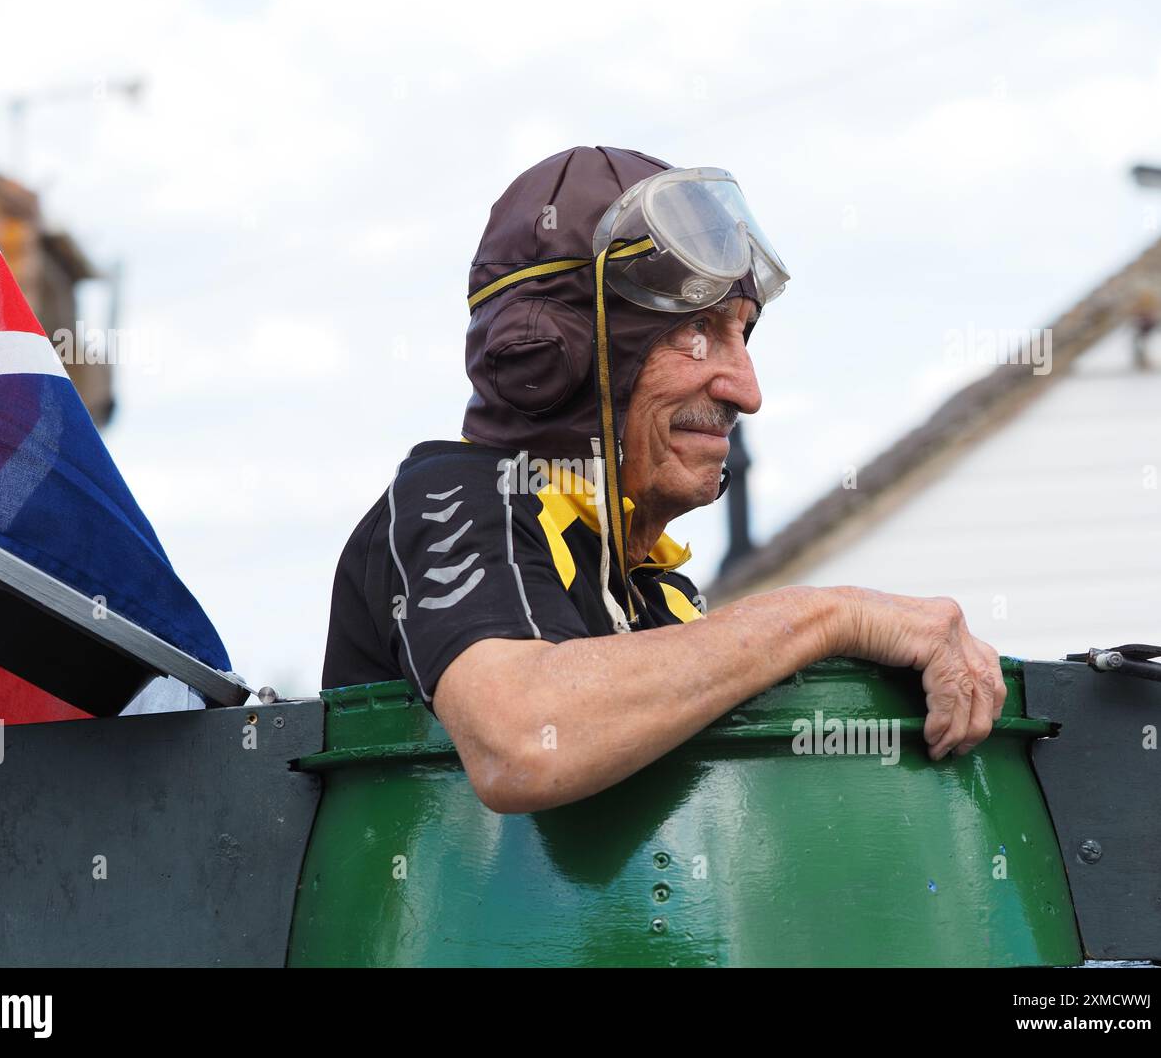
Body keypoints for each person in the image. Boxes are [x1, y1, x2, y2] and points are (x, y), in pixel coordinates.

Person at [322, 146, 1006, 814]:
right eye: (699, 334)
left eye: (743, 334)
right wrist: (834, 615)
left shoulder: (655, 588)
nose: (747, 389)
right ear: (553, 352)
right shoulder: (455, 497)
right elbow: (525, 739)